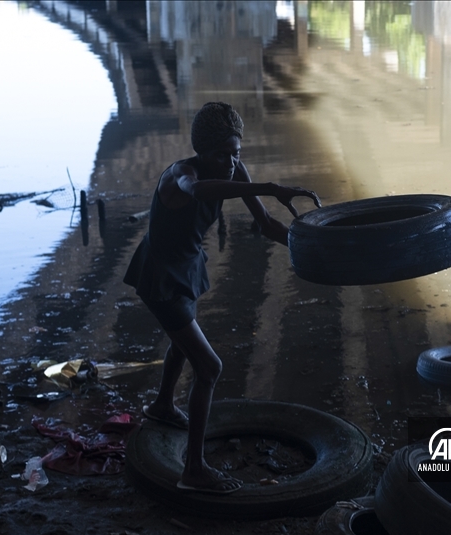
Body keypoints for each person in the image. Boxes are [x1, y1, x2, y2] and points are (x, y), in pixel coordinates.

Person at [123, 102, 320, 495]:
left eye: (236, 153)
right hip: (160, 274)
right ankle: (194, 471)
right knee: (209, 368)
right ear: (201, 151)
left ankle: (162, 405)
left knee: (182, 343)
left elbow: (265, 224)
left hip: (187, 267)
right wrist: (267, 186)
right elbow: (196, 191)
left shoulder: (233, 170)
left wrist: (309, 245)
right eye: (221, 154)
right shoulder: (183, 173)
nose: (230, 162)